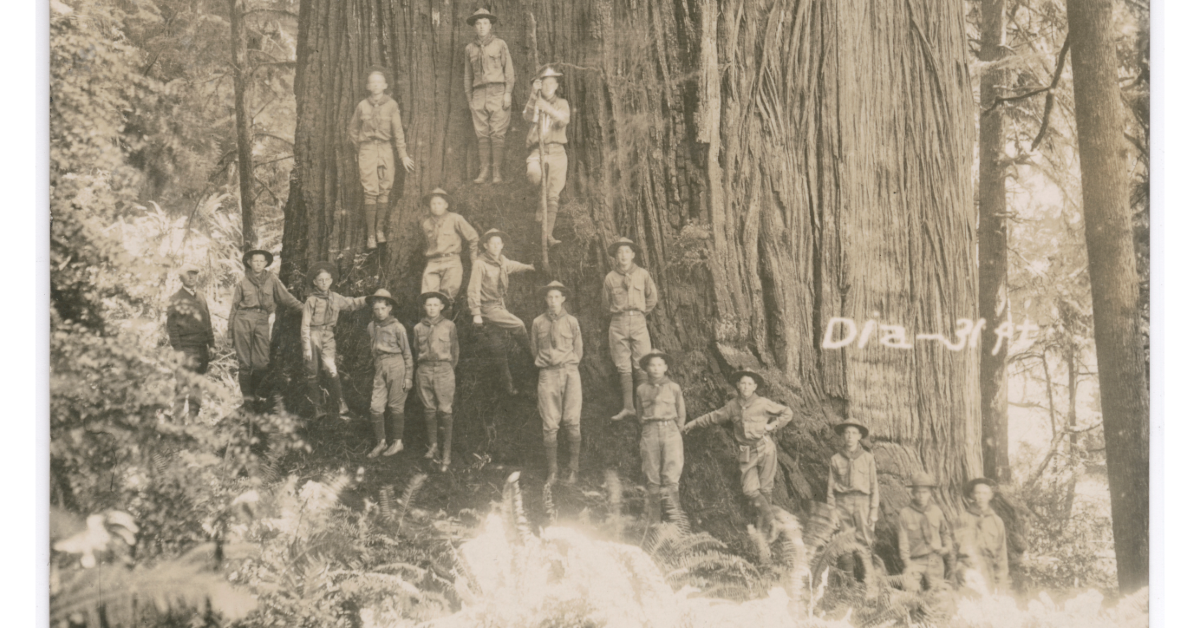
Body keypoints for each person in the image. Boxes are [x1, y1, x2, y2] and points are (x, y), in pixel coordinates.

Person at [682, 370, 792, 538]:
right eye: (743, 383)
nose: (746, 387)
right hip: (746, 452)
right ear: (737, 385)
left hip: (765, 448)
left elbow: (787, 412)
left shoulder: (763, 403)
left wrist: (773, 426)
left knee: (766, 488)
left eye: (749, 384)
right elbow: (713, 417)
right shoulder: (732, 406)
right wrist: (693, 423)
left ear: (755, 387)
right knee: (749, 490)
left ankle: (764, 532)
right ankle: (773, 522)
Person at [228, 249, 304, 412]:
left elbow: (286, 297)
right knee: (245, 364)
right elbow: (233, 308)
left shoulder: (272, 280)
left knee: (261, 363)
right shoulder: (243, 282)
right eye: (255, 261)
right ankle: (248, 401)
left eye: (261, 261)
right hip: (242, 320)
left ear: (266, 263)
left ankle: (256, 394)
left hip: (262, 320)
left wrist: (304, 309)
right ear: (249, 262)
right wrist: (230, 334)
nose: (258, 264)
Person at [348, 66, 415, 249]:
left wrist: (402, 155)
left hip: (386, 149)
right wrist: (361, 149)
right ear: (368, 86)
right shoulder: (362, 105)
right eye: (372, 83)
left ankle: (379, 230)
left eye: (379, 82)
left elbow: (398, 131)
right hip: (367, 150)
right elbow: (353, 130)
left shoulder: (391, 105)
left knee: (385, 188)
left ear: (385, 85)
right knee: (370, 190)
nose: (376, 86)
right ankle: (370, 235)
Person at [467, 228, 535, 396]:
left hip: (499, 306)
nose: (496, 246)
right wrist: (476, 313)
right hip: (487, 308)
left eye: (499, 243)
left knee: (498, 349)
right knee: (518, 324)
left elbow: (514, 266)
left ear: (502, 245)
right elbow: (473, 289)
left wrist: (529, 267)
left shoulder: (502, 261)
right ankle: (534, 356)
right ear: (485, 245)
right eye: (492, 243)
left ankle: (508, 386)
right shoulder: (480, 263)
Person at [529, 281, 583, 485]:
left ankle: (573, 469)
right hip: (547, 374)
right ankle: (553, 471)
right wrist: (547, 363)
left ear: (563, 299)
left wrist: (569, 364)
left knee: (572, 420)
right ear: (545, 300)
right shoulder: (537, 323)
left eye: (556, 297)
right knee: (550, 423)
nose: (553, 301)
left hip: (570, 373)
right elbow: (534, 348)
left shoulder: (572, 322)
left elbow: (579, 349)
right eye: (549, 297)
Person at [300, 262, 368, 419]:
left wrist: (369, 299)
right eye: (320, 280)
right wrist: (306, 348)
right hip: (312, 336)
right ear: (315, 282)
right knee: (312, 373)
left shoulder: (335, 298)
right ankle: (317, 407)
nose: (324, 283)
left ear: (331, 281)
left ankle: (340, 401)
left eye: (327, 279)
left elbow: (352, 303)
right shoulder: (310, 301)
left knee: (331, 368)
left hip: (328, 336)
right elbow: (305, 325)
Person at [627, 350, 686, 525]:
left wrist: (676, 430)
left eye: (659, 365)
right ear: (646, 368)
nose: (655, 369)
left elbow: (681, 413)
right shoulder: (641, 389)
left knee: (671, 477)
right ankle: (654, 523)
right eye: (652, 365)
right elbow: (639, 414)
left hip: (671, 431)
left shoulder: (674, 387)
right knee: (652, 477)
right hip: (650, 431)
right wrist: (649, 427)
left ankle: (675, 524)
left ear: (666, 367)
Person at [603, 237, 659, 421]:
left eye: (627, 251)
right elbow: (605, 304)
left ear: (633, 254)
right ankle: (628, 407)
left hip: (638, 323)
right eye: (620, 252)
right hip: (618, 323)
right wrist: (621, 313)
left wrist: (639, 313)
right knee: (623, 366)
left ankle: (642, 409)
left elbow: (652, 298)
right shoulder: (610, 278)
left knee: (642, 364)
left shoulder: (642, 274)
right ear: (615, 257)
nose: (623, 255)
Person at [463, 8, 514, 184]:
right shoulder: (470, 49)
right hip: (478, 94)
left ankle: (496, 172)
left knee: (498, 133)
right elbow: (468, 76)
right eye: (478, 23)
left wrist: (507, 93)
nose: (482, 27)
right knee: (482, 134)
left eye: (485, 23)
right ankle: (484, 170)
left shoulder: (500, 44)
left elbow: (509, 71)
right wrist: (470, 100)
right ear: (474, 27)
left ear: (490, 25)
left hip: (498, 92)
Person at [523, 65, 571, 246]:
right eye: (544, 82)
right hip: (538, 150)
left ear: (556, 85)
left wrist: (547, 108)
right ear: (539, 85)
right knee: (534, 174)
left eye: (551, 82)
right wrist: (533, 97)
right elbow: (527, 117)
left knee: (553, 196)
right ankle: (539, 202)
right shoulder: (534, 101)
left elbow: (563, 120)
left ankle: (548, 236)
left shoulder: (562, 103)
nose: (548, 86)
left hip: (558, 152)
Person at [414, 290, 459, 472]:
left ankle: (447, 454)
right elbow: (417, 349)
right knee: (429, 410)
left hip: (444, 370)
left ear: (441, 307)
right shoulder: (418, 328)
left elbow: (455, 351)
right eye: (428, 305)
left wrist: (447, 369)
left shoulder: (449, 326)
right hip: (424, 370)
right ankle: (433, 448)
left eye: (435, 305)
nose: (432, 308)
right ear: (424, 307)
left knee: (445, 410)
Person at [365, 289, 413, 459]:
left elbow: (407, 353)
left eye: (383, 309)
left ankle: (398, 442)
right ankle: (381, 442)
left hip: (396, 365)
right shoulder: (371, 326)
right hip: (380, 367)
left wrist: (408, 377)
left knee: (396, 406)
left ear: (390, 308)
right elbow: (372, 347)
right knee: (376, 407)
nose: (379, 312)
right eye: (376, 309)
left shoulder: (397, 327)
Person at [166, 263, 215, 421]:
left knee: (197, 385)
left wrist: (212, 345)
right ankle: (177, 425)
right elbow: (172, 328)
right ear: (181, 278)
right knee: (182, 386)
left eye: (194, 274)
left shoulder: (201, 296)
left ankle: (193, 421)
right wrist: (179, 351)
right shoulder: (175, 299)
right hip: (185, 348)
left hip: (201, 348)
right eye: (188, 274)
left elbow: (207, 321)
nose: (192, 277)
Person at [827, 419, 880, 553]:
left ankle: (866, 573)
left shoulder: (868, 458)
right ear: (842, 436)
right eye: (847, 433)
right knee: (844, 542)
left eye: (854, 433)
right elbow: (830, 489)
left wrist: (873, 511)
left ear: (859, 436)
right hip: (843, 503)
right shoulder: (836, 459)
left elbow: (874, 487)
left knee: (865, 541)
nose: (850, 437)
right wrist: (832, 511)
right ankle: (848, 574)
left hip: (863, 503)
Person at [420, 187, 480, 300]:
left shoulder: (455, 218)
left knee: (447, 298)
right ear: (429, 206)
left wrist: (474, 260)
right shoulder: (426, 224)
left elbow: (473, 237)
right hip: (433, 262)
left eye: (439, 203)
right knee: (428, 297)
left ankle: (446, 318)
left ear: (446, 205)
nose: (436, 206)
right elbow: (426, 245)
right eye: (433, 204)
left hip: (452, 262)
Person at [898, 472, 954, 592]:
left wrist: (947, 548)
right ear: (913, 493)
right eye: (918, 492)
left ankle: (932, 609)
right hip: (915, 560)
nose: (921, 496)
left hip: (935, 560)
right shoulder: (905, 513)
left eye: (925, 492)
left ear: (930, 493)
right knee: (909, 588)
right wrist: (908, 564)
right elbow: (903, 542)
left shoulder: (936, 511)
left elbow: (945, 533)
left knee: (939, 593)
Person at [956, 477, 1009, 594]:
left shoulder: (996, 521)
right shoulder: (963, 518)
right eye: (978, 493)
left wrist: (1001, 580)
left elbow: (1001, 553)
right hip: (966, 570)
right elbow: (954, 548)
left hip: (988, 570)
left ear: (990, 496)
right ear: (972, 495)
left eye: (985, 493)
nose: (981, 497)